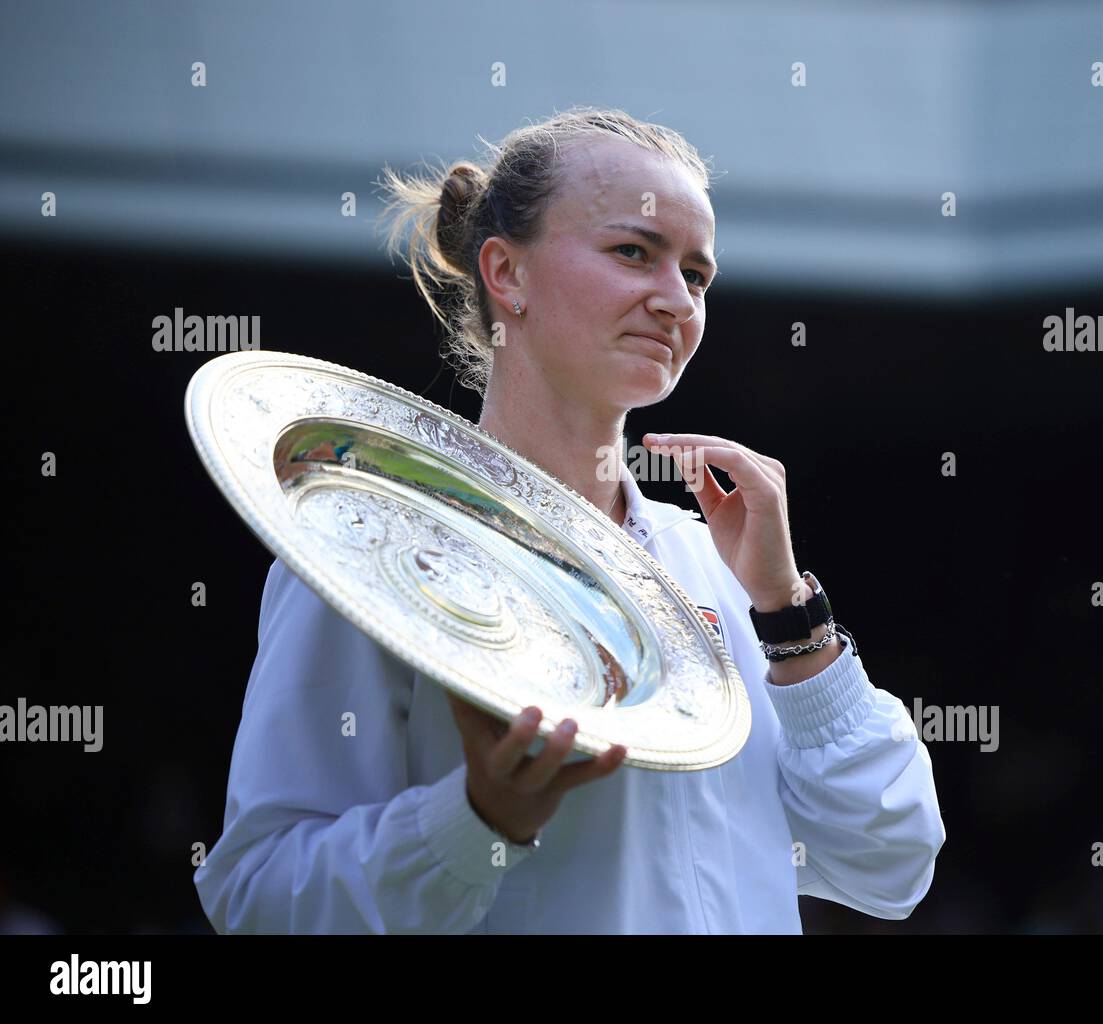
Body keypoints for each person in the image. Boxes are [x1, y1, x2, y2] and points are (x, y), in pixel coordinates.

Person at [194, 106, 945, 934]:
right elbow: (260, 897)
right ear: (505, 274)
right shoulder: (363, 534)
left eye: (697, 277)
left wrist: (791, 617)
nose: (675, 302)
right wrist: (479, 822)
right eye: (635, 252)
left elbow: (891, 862)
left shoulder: (727, 570)